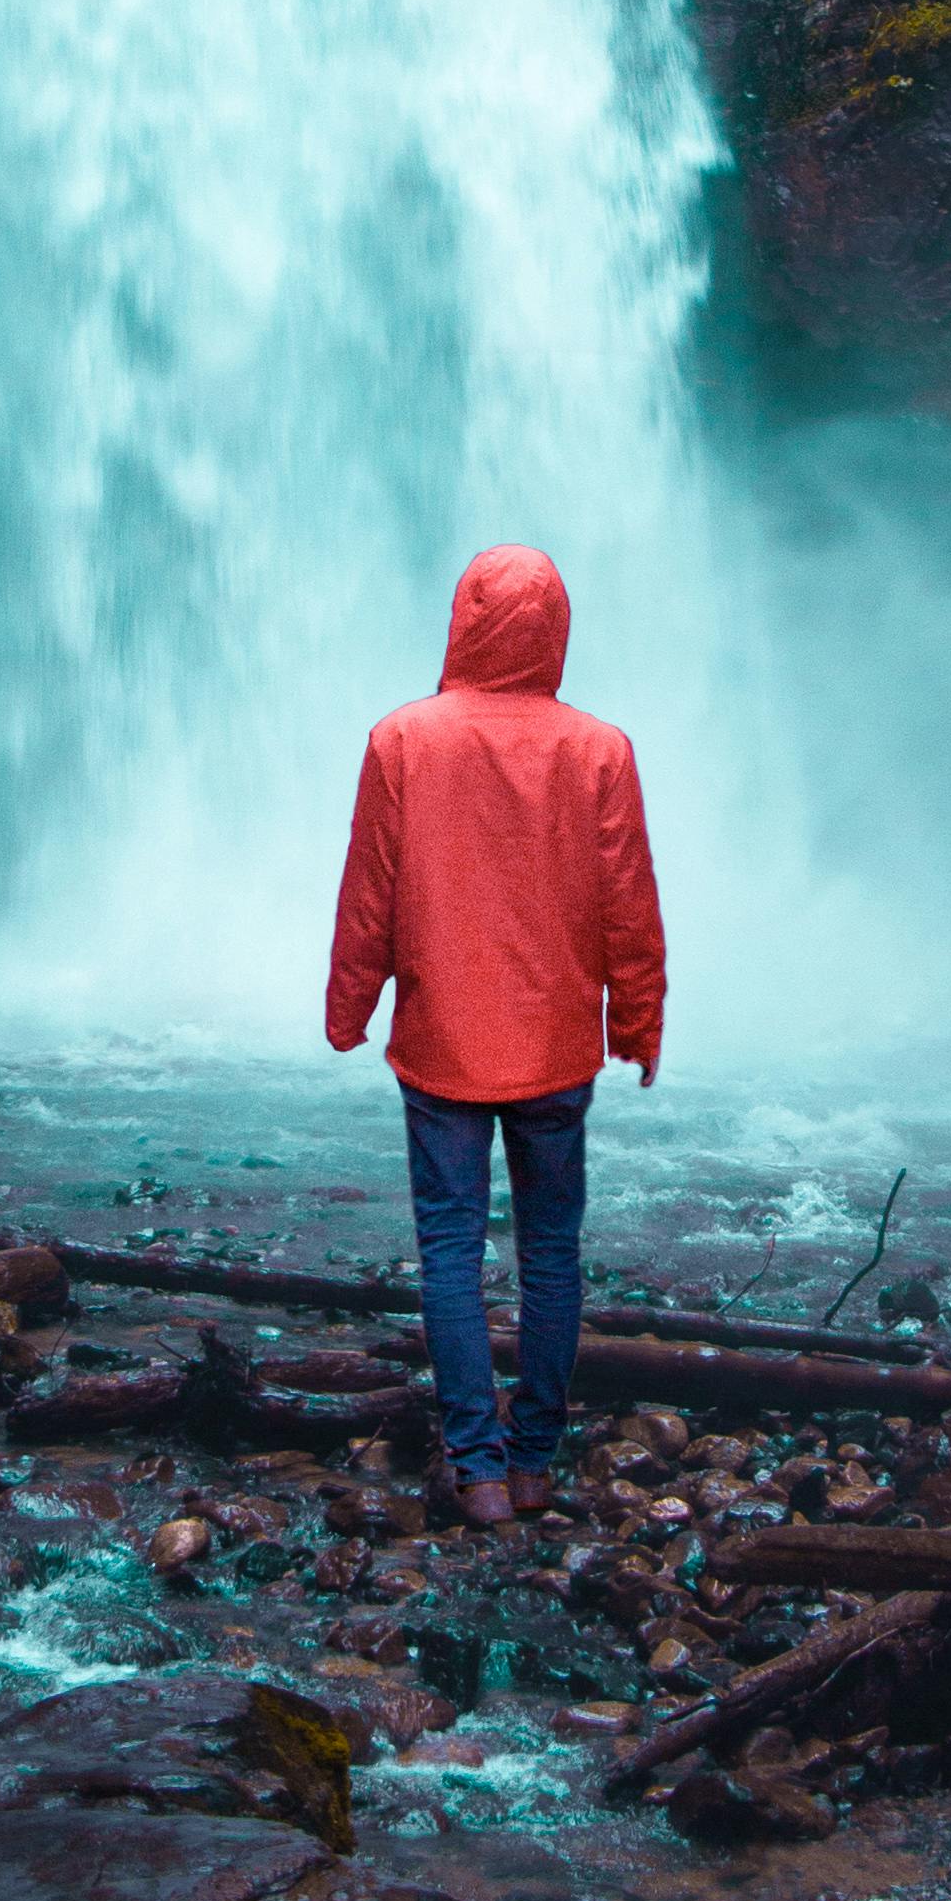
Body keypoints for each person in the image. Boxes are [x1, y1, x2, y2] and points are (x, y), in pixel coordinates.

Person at [323, 541, 666, 1530]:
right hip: (557, 1043)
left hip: (443, 1044)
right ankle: (535, 1461)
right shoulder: (600, 750)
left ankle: (476, 1470)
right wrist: (637, 1022)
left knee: (449, 1250)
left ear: (463, 622)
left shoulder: (402, 740)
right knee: (552, 1253)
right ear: (555, 630)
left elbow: (370, 896)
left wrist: (350, 1010)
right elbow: (627, 907)